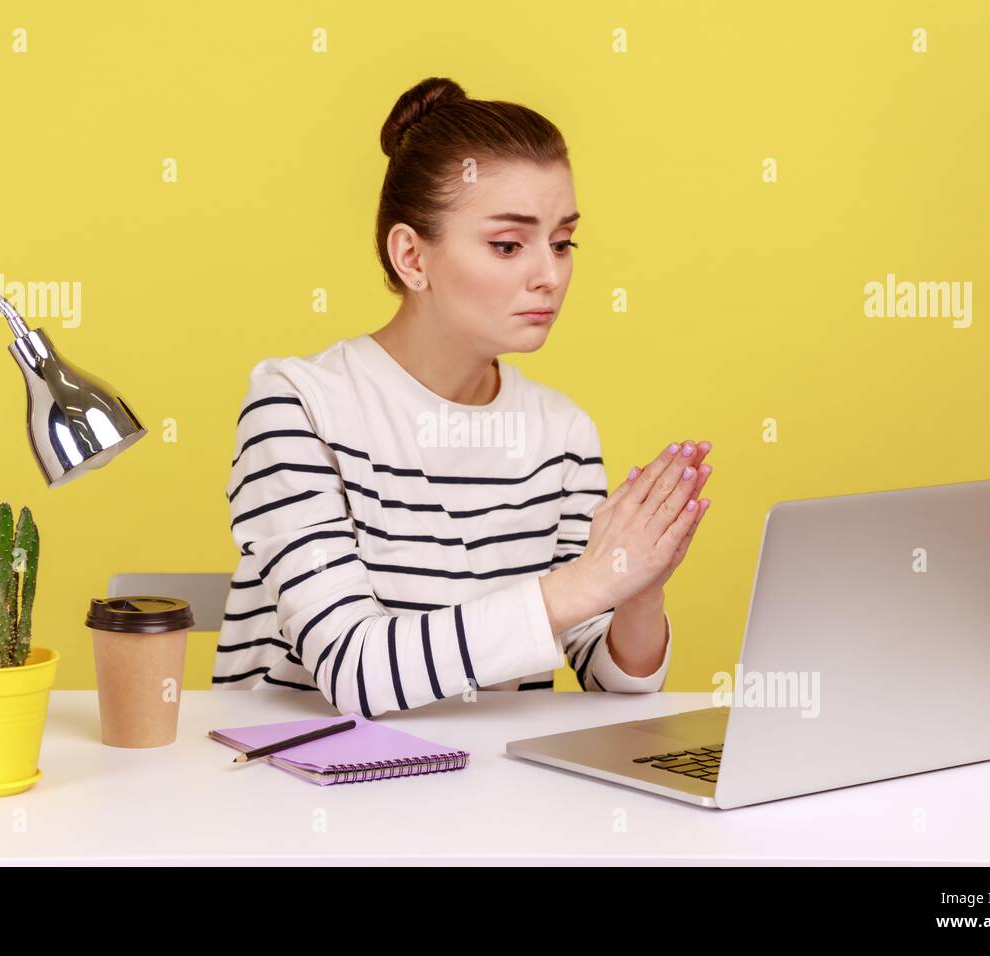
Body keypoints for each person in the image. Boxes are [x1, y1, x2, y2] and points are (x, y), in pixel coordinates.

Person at [214, 76, 713, 716]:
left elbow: (609, 679)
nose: (549, 275)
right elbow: (354, 672)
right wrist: (590, 582)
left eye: (563, 243)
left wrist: (640, 586)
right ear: (412, 258)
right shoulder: (297, 405)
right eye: (508, 245)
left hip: (483, 787)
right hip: (299, 787)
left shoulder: (562, 433)